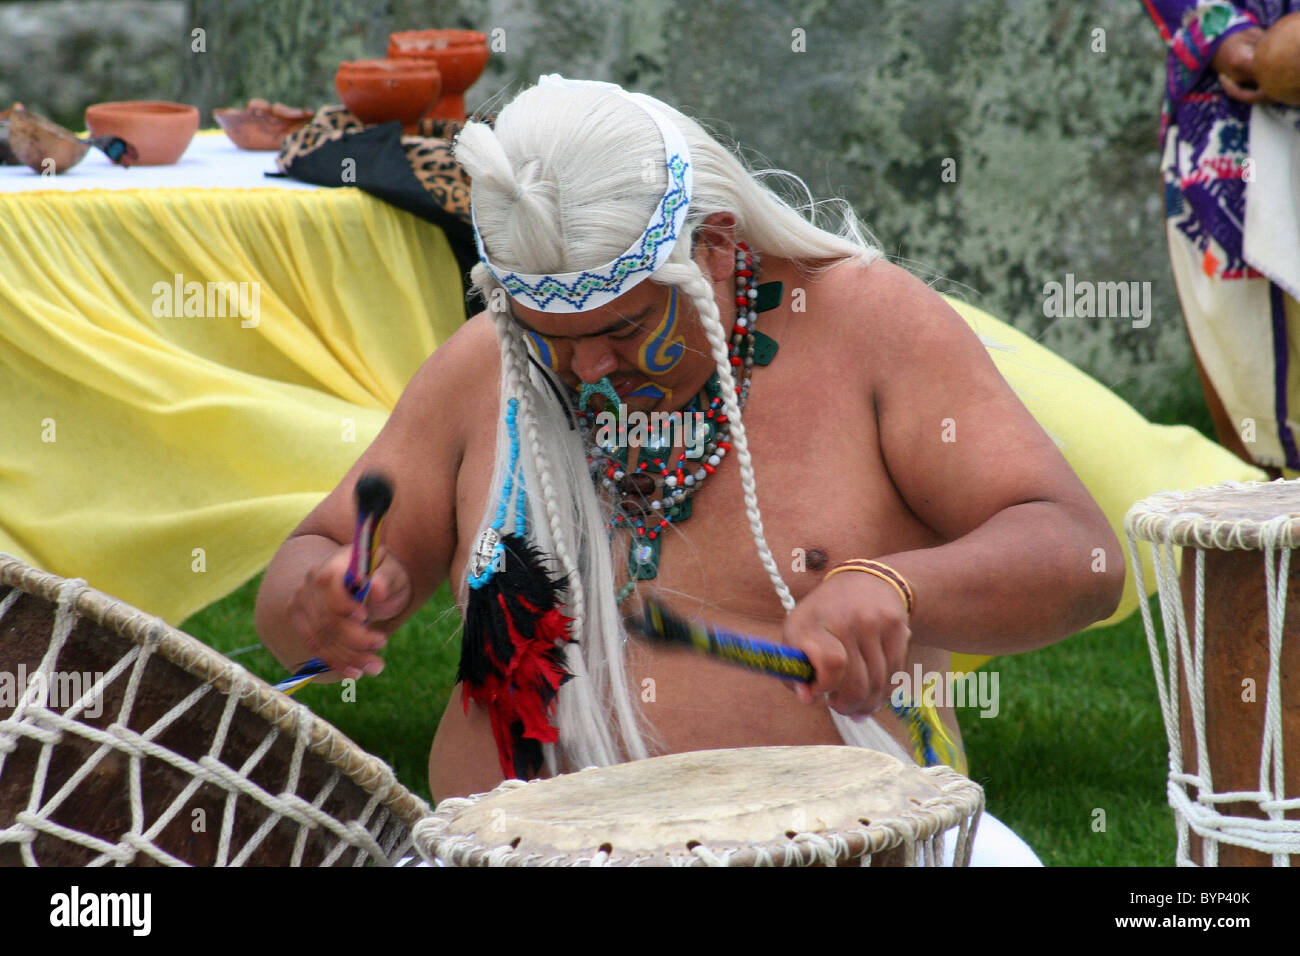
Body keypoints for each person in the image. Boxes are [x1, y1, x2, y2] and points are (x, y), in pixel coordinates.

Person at [254, 76, 1125, 865]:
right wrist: (317, 606)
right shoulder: (488, 366)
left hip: (840, 852)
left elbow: (1078, 553)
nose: (587, 368)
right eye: (549, 338)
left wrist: (894, 585)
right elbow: (312, 566)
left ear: (712, 246)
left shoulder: (867, 324)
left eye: (624, 330)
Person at [1141, 1, 1300, 477]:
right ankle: (1267, 527)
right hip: (1224, 142)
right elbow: (1266, 60)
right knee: (1250, 434)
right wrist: (1244, 48)